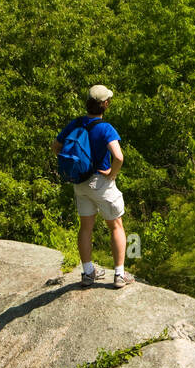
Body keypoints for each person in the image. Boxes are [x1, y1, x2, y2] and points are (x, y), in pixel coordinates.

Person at [51, 85, 134, 289]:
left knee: (86, 227)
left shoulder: (76, 123)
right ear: (105, 104)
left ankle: (88, 273)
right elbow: (118, 157)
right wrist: (112, 174)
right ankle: (119, 275)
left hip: (80, 183)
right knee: (116, 226)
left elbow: (55, 147)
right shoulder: (105, 128)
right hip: (101, 183)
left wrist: (75, 166)